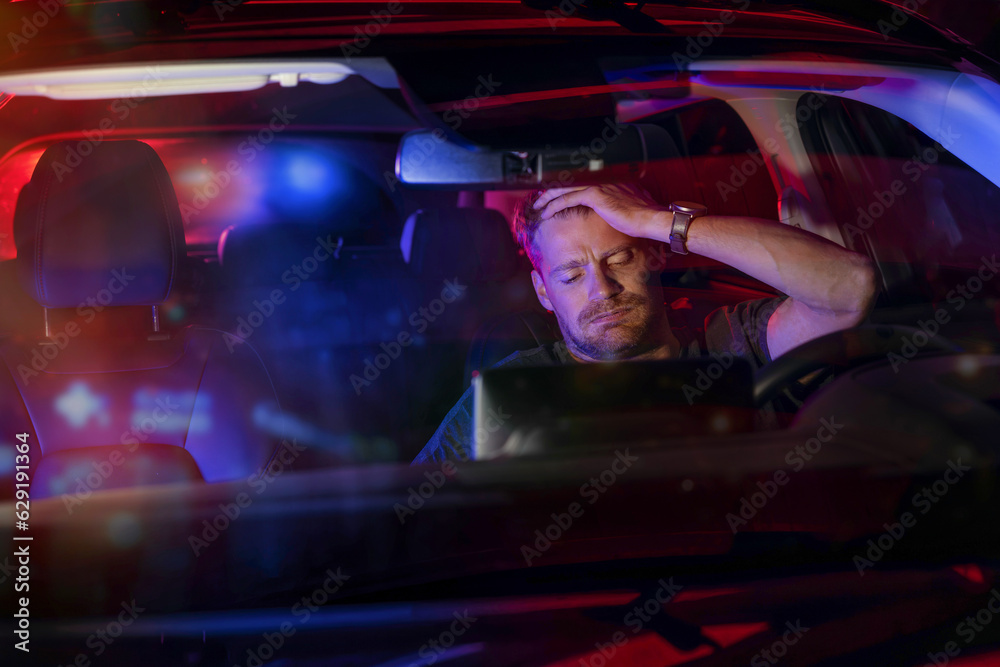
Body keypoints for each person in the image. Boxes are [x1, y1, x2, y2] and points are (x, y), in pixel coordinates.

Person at [412, 183, 878, 463]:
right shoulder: (510, 390)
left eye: (620, 257)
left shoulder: (733, 342)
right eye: (571, 275)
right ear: (542, 293)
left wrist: (656, 221)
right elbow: (414, 512)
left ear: (653, 257)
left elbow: (849, 287)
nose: (602, 289)